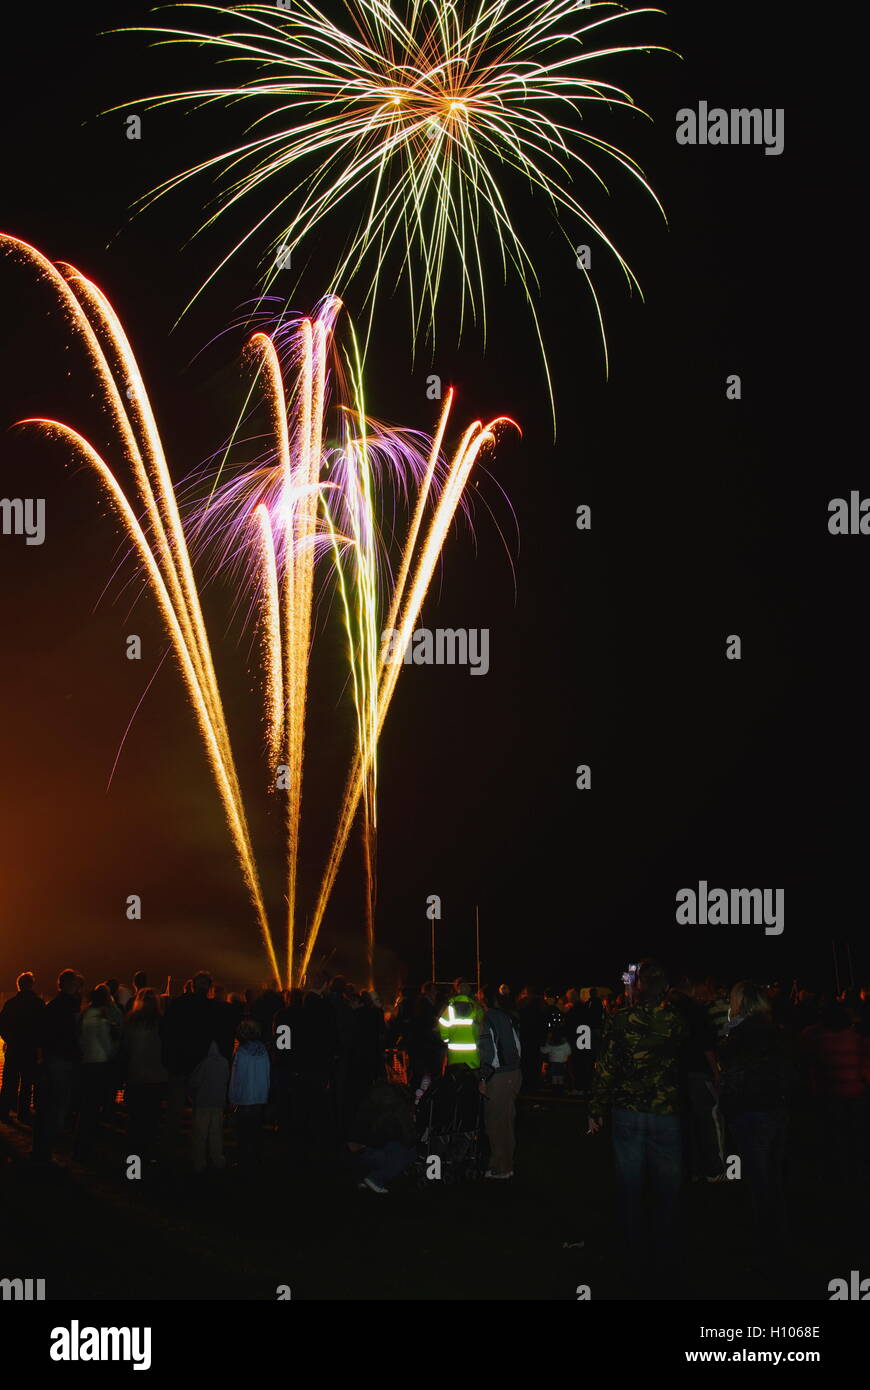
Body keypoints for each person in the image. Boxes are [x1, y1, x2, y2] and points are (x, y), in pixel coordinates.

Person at [588, 960, 688, 1288]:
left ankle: (633, 1251)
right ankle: (667, 1250)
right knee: (667, 1187)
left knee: (631, 1185)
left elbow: (607, 1066)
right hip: (665, 1109)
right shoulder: (676, 1020)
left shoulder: (620, 1020)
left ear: (640, 986)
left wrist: (596, 1107)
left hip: (629, 1109)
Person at [719, 979, 793, 1256]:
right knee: (772, 1174)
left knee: (759, 1177)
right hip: (776, 1107)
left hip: (750, 1110)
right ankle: (778, 1232)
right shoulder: (778, 1032)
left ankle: (767, 1239)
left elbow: (730, 1074)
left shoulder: (737, 1036)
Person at [32, 969, 83, 1164]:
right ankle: (50, 1144)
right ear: (71, 985)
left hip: (52, 1057)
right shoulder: (71, 1006)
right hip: (65, 1058)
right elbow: (77, 1034)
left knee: (48, 1104)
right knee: (60, 1103)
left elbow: (41, 1034)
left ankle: (42, 1147)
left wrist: (41, 1057)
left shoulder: (51, 1005)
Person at [478, 985, 522, 1179]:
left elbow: (488, 1052)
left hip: (499, 1075)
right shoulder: (508, 1016)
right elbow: (517, 1045)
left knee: (495, 1123)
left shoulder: (487, 1019)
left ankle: (501, 1168)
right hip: (513, 1073)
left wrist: (483, 1077)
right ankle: (505, 1164)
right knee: (507, 1121)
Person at [348, 1078, 417, 1194]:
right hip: (373, 1152)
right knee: (408, 1151)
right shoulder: (400, 1105)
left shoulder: (371, 1097)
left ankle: (365, 1178)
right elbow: (408, 1138)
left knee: (389, 1145)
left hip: (356, 1151)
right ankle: (376, 1179)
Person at [122, 988, 168, 1163]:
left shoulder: (131, 1022)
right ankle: (149, 1159)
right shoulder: (162, 1022)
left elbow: (125, 1049)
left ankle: (134, 1165)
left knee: (135, 1122)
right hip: (156, 1078)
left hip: (136, 1077)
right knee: (152, 1122)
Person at [75, 983, 119, 1161]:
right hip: (99, 1064)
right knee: (93, 1107)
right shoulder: (101, 1020)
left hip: (85, 1063)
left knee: (86, 1106)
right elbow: (107, 1046)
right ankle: (86, 1146)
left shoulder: (84, 1015)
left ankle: (79, 1145)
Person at [0, 971, 44, 1123]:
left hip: (14, 1049)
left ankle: (4, 1111)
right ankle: (23, 1112)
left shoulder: (10, 1004)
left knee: (9, 1083)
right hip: (30, 1050)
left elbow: (2, 1025)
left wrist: (9, 1039)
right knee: (27, 1083)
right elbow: (41, 1029)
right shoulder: (38, 1003)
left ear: (18, 985)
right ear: (31, 985)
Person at [229, 1018, 271, 1168]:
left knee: (243, 1134)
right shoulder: (263, 1051)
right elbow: (267, 1074)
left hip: (244, 1099)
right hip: (259, 1099)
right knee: (256, 1131)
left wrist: (232, 1098)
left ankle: (244, 1162)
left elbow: (237, 1078)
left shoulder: (241, 1052)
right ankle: (256, 1160)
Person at [189, 1039, 229, 1174]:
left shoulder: (204, 1063)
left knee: (200, 1134)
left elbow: (194, 1081)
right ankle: (218, 1160)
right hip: (218, 1103)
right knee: (216, 1133)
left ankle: (199, 1162)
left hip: (203, 1104)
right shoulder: (224, 1063)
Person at [437, 979, 484, 1069]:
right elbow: (482, 1026)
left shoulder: (450, 1008)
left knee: (456, 1080)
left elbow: (442, 1024)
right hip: (472, 1056)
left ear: (458, 991)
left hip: (454, 1056)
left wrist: (446, 1039)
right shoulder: (476, 1008)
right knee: (471, 1081)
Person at [540, 1026, 571, 1092]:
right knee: (561, 1077)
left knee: (554, 1077)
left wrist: (543, 1044)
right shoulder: (565, 1044)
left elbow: (544, 1050)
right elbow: (569, 1052)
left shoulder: (550, 1043)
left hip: (553, 1063)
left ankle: (555, 1091)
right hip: (562, 1063)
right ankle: (560, 1090)